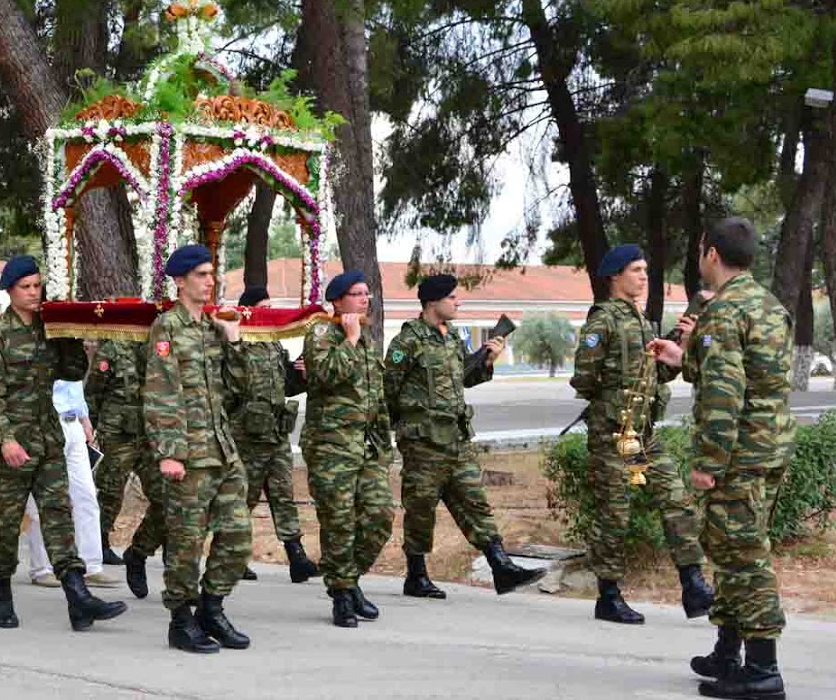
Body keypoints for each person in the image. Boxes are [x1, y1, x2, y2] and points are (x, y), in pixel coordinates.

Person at [651, 217, 795, 700]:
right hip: (770, 448)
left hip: (738, 455)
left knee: (745, 556)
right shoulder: (769, 306)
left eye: (699, 252)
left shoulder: (725, 311)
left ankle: (762, 668)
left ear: (711, 254)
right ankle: (726, 652)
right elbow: (757, 376)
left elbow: (724, 394)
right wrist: (682, 357)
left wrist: (708, 462)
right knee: (735, 550)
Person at [0, 255, 126, 632]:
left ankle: (77, 598)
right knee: (8, 522)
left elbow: (73, 372)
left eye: (36, 286)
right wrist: (5, 440)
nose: (33, 293)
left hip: (47, 440)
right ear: (10, 291)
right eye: (25, 287)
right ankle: (1, 594)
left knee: (59, 515)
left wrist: (70, 338)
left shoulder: (49, 327)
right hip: (13, 446)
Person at [572, 244, 713, 624]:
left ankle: (693, 584)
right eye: (636, 269)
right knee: (614, 514)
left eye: (646, 269)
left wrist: (680, 345)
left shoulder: (641, 320)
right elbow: (584, 378)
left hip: (642, 436)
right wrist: (614, 399)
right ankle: (609, 595)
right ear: (615, 276)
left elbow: (657, 375)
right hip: (614, 435)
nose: (643, 276)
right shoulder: (603, 320)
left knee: (676, 500)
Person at [384, 274, 542, 598]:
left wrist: (486, 361)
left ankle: (502, 567)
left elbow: (463, 382)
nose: (459, 302)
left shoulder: (453, 339)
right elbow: (389, 391)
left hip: (456, 439)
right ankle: (416, 575)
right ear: (433, 302)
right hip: (423, 442)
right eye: (453, 297)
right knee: (421, 507)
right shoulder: (407, 342)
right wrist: (405, 429)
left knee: (475, 500)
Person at [144, 244, 253, 653]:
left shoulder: (212, 329)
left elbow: (239, 390)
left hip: (222, 450)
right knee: (187, 541)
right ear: (180, 281)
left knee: (238, 535)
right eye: (202, 275)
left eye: (212, 274)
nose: (210, 281)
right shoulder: (166, 328)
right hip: (188, 454)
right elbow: (160, 393)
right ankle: (181, 619)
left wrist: (235, 342)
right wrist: (169, 452)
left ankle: (212, 606)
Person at [301, 272, 395, 628]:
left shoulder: (366, 341)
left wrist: (384, 445)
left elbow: (376, 398)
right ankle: (342, 594)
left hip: (367, 447)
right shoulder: (322, 334)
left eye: (367, 294)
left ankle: (348, 579)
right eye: (356, 294)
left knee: (379, 515)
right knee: (339, 522)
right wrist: (351, 340)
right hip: (332, 448)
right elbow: (324, 376)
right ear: (338, 301)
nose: (364, 300)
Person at [226, 286, 314, 583]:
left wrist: (299, 374)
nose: (270, 310)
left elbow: (284, 387)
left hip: (276, 435)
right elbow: (231, 388)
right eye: (263, 306)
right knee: (243, 499)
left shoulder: (274, 345)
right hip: (247, 436)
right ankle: (231, 557)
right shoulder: (239, 344)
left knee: (283, 495)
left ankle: (296, 556)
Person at [84, 334, 166, 598]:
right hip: (118, 433)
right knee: (109, 492)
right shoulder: (113, 348)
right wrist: (90, 428)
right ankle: (98, 546)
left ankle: (139, 551)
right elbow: (94, 390)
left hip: (152, 435)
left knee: (167, 498)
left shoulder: (162, 345)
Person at [20, 378, 119, 588]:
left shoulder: (71, 349)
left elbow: (74, 386)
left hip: (73, 424)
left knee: (87, 496)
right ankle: (42, 568)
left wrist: (84, 419)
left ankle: (90, 566)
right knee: (43, 498)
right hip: (44, 422)